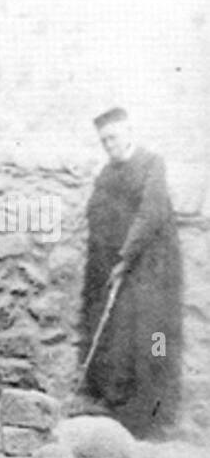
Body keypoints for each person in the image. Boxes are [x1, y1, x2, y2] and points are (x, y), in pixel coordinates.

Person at [77, 107, 183, 438]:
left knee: (155, 338)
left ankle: (158, 410)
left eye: (113, 137)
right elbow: (97, 215)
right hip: (121, 271)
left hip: (154, 271)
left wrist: (125, 255)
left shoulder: (152, 163)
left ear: (129, 132)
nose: (109, 144)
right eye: (103, 140)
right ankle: (122, 410)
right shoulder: (107, 173)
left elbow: (151, 213)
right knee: (121, 337)